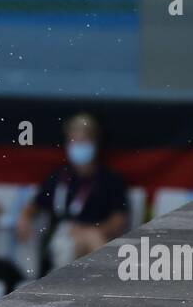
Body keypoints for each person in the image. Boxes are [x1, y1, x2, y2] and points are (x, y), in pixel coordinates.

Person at [16, 113, 130, 270]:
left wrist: (91, 230)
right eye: (73, 141)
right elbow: (36, 203)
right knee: (78, 243)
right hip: (62, 236)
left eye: (83, 141)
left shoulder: (110, 180)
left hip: (98, 233)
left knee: (91, 238)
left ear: (95, 143)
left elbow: (119, 220)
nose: (77, 146)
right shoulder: (58, 177)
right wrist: (24, 217)